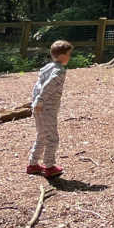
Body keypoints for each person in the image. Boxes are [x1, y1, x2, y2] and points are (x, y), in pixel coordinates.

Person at [26, 39, 72, 177]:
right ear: (63, 56)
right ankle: (49, 166)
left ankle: (33, 164)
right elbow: (48, 86)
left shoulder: (48, 67)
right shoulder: (59, 71)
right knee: (52, 138)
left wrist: (35, 102)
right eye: (69, 54)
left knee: (41, 135)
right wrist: (40, 101)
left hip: (38, 107)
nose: (70, 57)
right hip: (47, 108)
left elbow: (38, 85)